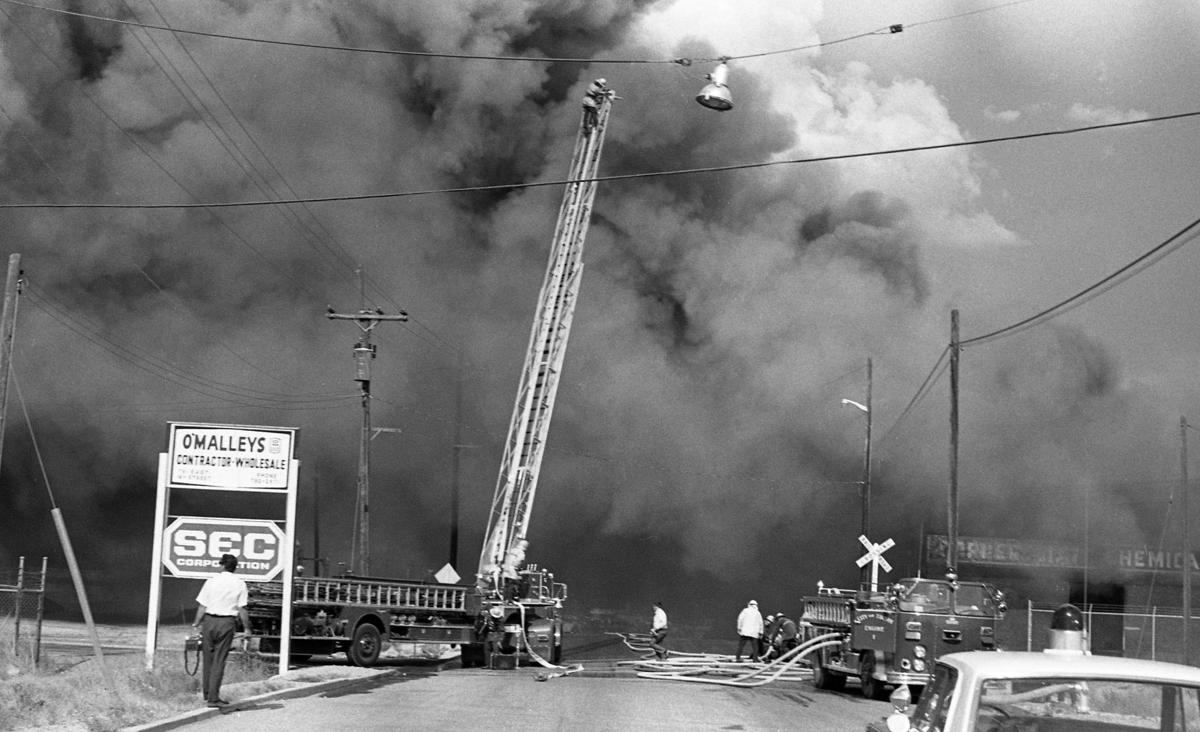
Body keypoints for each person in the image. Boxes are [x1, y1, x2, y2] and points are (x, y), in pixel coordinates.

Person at [191, 553, 251, 708]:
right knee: (219, 660)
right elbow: (242, 608)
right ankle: (213, 698)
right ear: (235, 567)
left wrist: (196, 624)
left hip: (209, 621)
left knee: (208, 659)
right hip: (226, 622)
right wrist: (247, 628)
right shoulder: (240, 584)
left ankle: (207, 694)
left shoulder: (211, 581)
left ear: (222, 565)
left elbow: (202, 606)